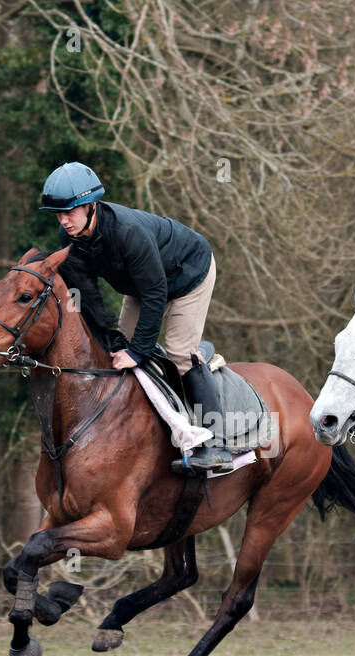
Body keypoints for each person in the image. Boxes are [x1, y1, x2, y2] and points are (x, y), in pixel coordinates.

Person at [40, 162, 233, 475]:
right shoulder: (70, 238)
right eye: (58, 214)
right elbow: (85, 294)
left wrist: (138, 351)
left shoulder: (128, 232)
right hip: (143, 284)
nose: (63, 221)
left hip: (188, 274)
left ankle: (217, 444)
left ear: (90, 206)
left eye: (70, 212)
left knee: (179, 352)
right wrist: (111, 339)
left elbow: (157, 294)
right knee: (116, 354)